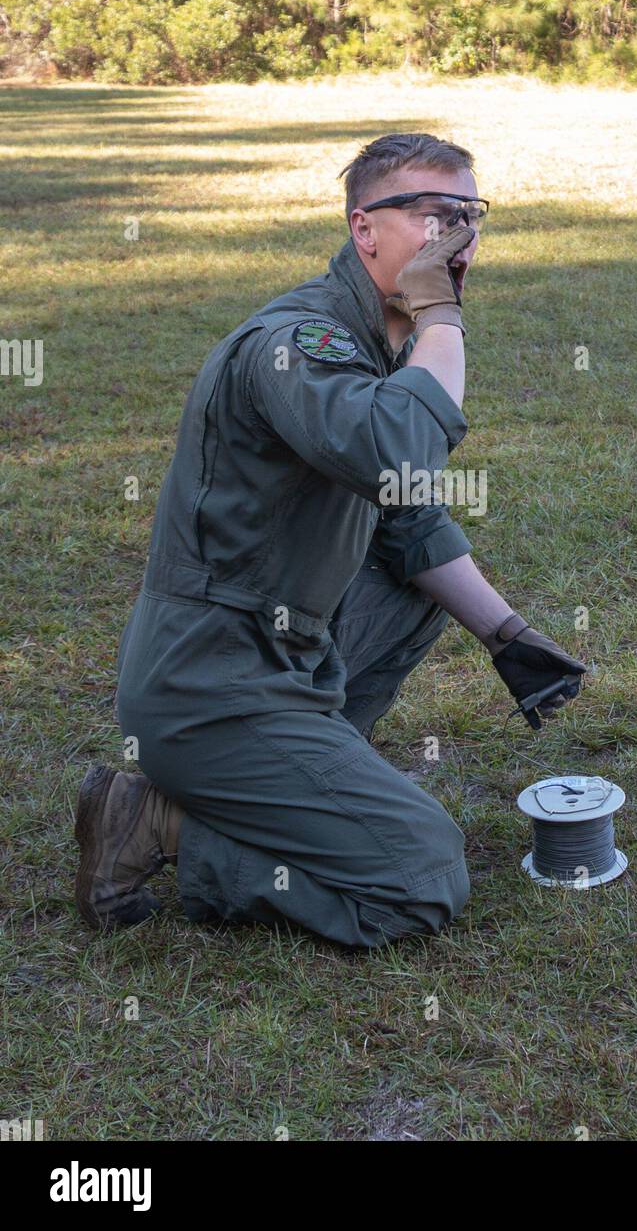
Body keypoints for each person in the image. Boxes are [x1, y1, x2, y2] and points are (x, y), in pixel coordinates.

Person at [74, 132, 586, 947]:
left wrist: (507, 636)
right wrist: (441, 315)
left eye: (469, 214)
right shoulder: (300, 343)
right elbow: (398, 448)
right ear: (363, 230)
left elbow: (408, 509)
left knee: (419, 587)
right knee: (420, 878)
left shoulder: (377, 337)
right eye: (430, 214)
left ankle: (307, 778)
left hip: (284, 652)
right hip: (209, 681)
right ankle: (159, 821)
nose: (455, 236)